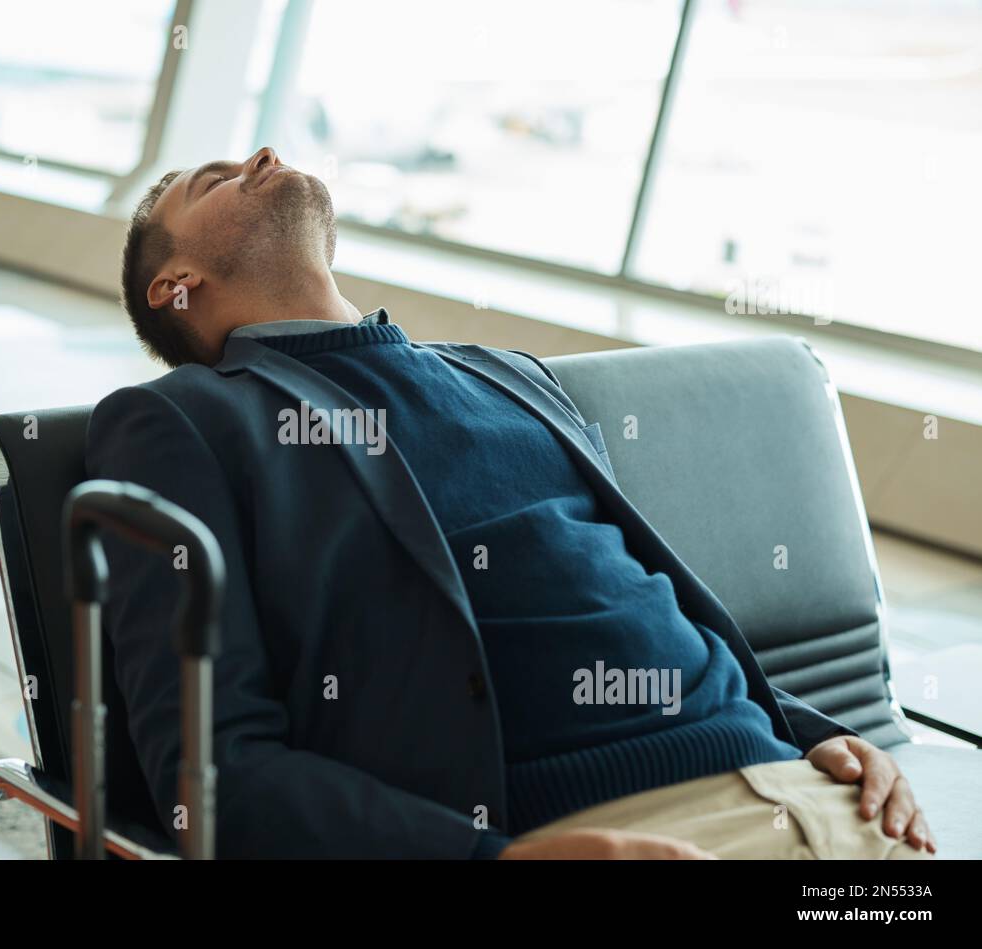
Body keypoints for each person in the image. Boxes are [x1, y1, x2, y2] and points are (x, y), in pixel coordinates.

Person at [86, 146, 935, 859]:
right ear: (179, 284)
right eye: (213, 179)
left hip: (813, 799)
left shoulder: (510, 375)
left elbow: (624, 598)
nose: (262, 156)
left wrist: (813, 729)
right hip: (574, 834)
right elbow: (212, 772)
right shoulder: (183, 423)